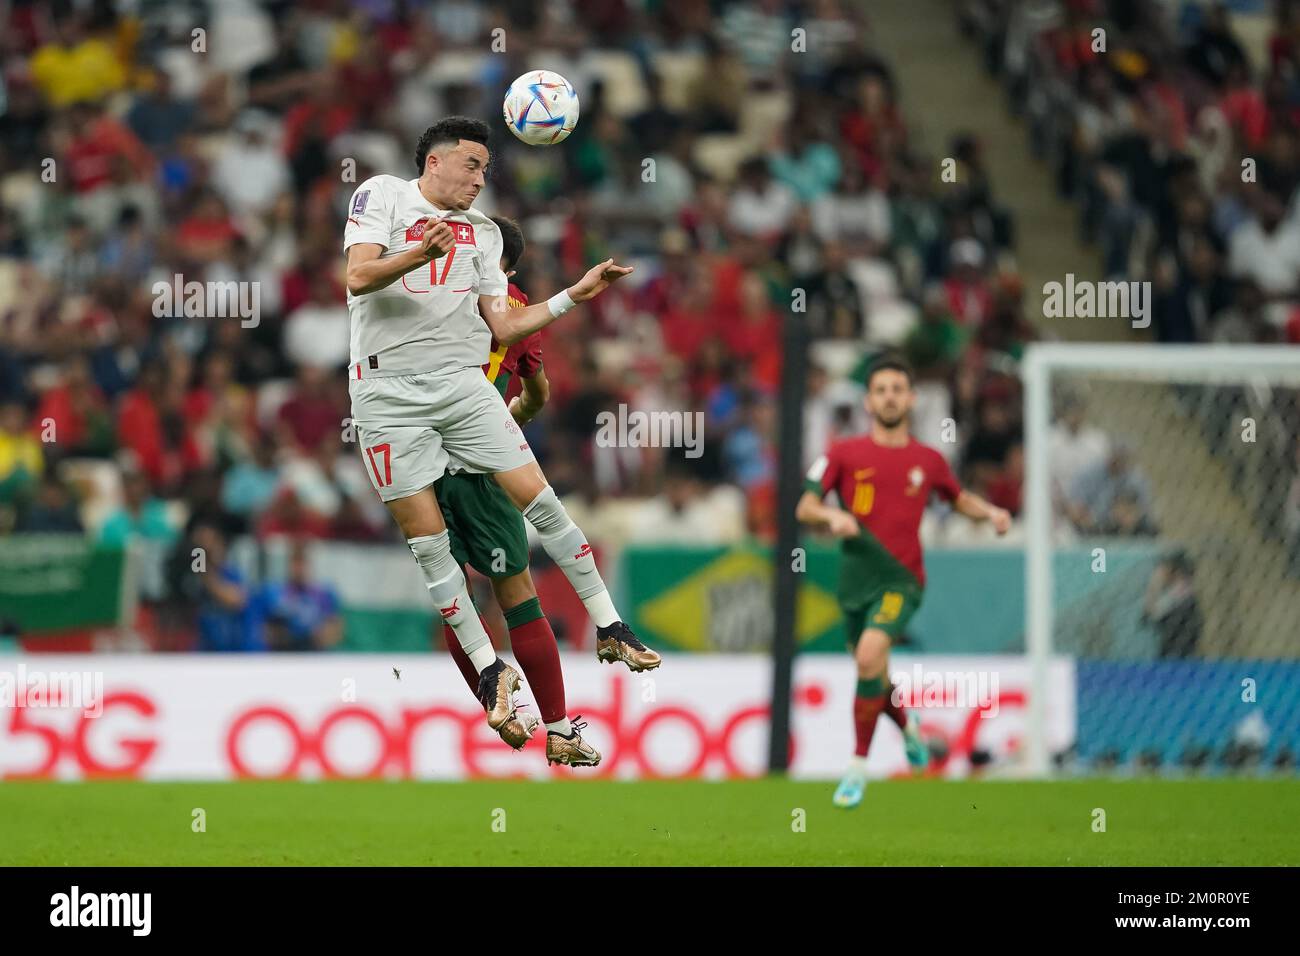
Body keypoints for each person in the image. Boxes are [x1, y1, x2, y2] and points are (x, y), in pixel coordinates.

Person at [342, 117, 659, 745]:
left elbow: (505, 326)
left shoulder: (483, 234)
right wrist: (419, 254)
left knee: (544, 504)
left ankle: (610, 627)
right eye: (472, 165)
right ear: (433, 162)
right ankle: (491, 674)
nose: (481, 178)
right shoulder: (380, 194)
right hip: (385, 394)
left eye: (486, 168)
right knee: (429, 548)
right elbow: (357, 277)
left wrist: (576, 293)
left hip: (461, 386)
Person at [796, 356, 1011, 809]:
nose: (890, 396)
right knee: (872, 669)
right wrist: (833, 514)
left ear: (911, 399)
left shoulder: (927, 460)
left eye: (898, 389)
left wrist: (991, 513)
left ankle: (857, 767)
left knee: (871, 655)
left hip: (902, 580)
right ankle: (910, 728)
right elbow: (805, 507)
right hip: (855, 581)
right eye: (881, 389)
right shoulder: (843, 453)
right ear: (868, 400)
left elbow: (958, 498)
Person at [434, 215, 597, 765]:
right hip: (479, 460)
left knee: (452, 593)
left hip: (415, 457)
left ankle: (492, 694)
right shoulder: (510, 301)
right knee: (515, 591)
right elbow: (535, 395)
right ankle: (558, 728)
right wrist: (514, 415)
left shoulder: (429, 288)